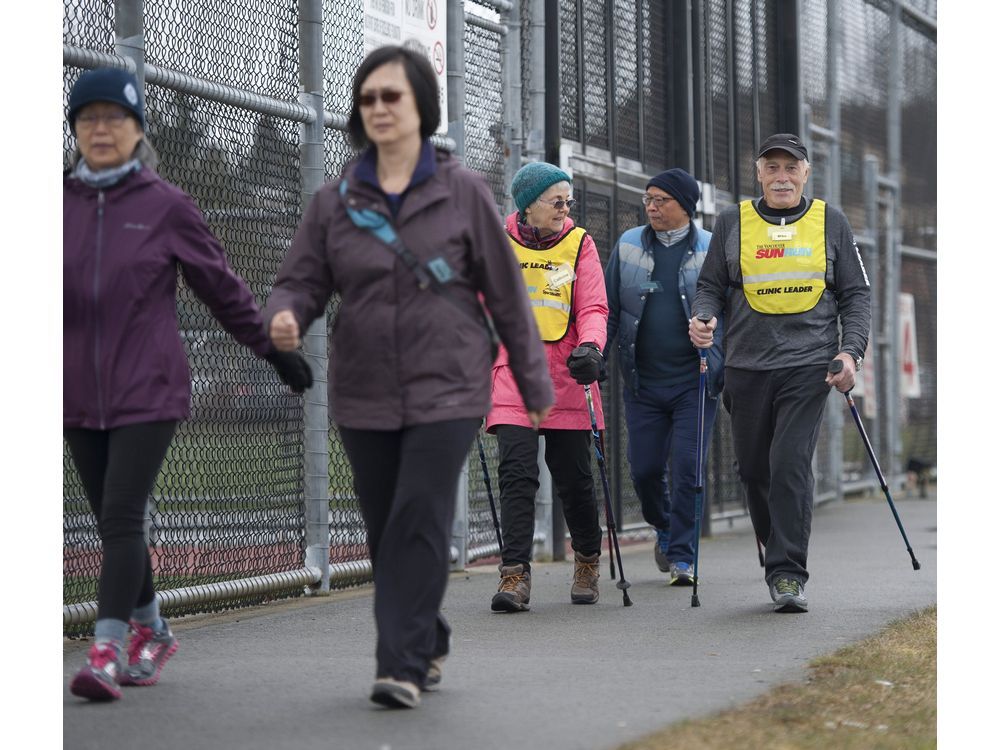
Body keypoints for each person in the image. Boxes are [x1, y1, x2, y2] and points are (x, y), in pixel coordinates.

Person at [263, 46, 553, 709]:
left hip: (448, 386)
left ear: (422, 104)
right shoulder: (335, 200)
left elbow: (507, 296)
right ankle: (429, 630)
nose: (379, 108)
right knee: (385, 528)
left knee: (419, 515)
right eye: (368, 98)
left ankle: (400, 662)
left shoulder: (463, 192)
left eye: (391, 95)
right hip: (364, 389)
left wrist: (534, 384)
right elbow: (300, 280)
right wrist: (284, 315)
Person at [64, 68, 312, 701]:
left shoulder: (166, 206)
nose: (100, 129)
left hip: (148, 388)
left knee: (122, 514)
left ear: (137, 130)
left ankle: (105, 653)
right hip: (75, 392)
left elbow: (221, 289)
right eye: (87, 118)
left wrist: (271, 350)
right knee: (112, 521)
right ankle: (154, 630)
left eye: (114, 118)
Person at [689, 133, 871, 613]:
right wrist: (703, 317)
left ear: (806, 173)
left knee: (789, 463)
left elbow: (855, 294)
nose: (782, 177)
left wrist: (850, 353)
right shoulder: (733, 222)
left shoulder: (830, 221)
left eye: (791, 168)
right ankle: (774, 547)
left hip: (808, 366)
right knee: (754, 471)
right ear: (759, 173)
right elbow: (710, 286)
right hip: (746, 366)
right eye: (772, 168)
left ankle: (787, 573)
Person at [485, 161, 609, 613]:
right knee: (517, 472)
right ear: (528, 205)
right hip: (513, 373)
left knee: (574, 478)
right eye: (556, 201)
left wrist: (591, 346)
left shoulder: (580, 244)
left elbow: (593, 307)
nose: (564, 209)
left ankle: (587, 560)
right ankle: (514, 575)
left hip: (566, 376)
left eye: (567, 201)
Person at [604, 168, 724, 586]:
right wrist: (598, 353)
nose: (652, 207)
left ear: (685, 206)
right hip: (643, 383)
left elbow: (729, 314)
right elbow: (609, 309)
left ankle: (683, 557)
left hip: (695, 381)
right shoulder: (628, 245)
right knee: (644, 470)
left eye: (662, 200)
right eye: (648, 199)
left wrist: (720, 359)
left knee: (688, 469)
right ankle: (665, 527)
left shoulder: (711, 247)